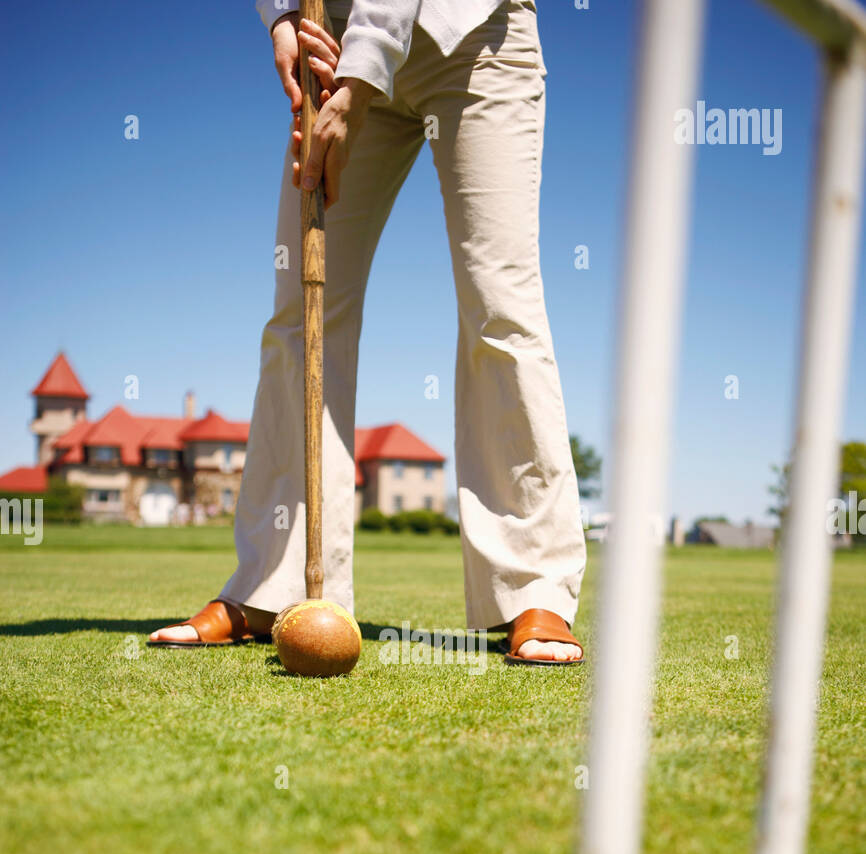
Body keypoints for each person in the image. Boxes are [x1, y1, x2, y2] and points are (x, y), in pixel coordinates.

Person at [149, 0, 586, 665]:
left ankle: (535, 586)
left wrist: (362, 73)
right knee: (302, 306)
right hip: (343, 42)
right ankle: (278, 582)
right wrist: (282, 18)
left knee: (500, 302)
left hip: (473, 37)